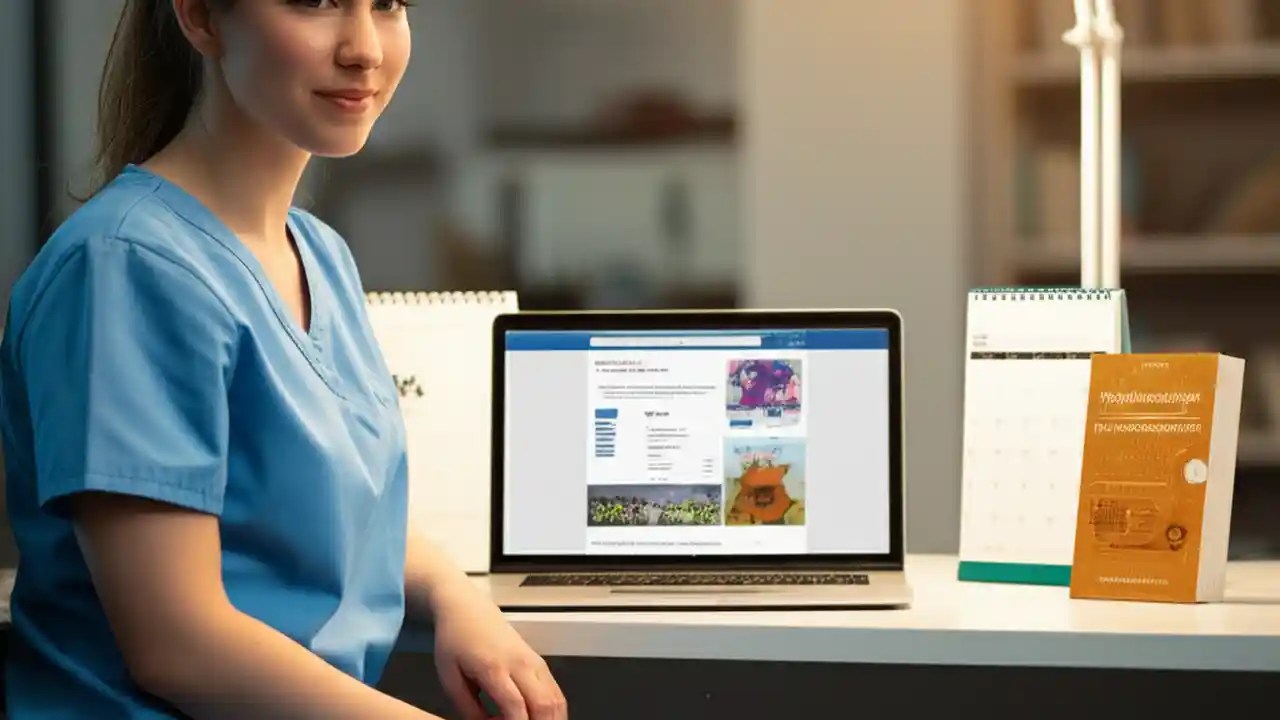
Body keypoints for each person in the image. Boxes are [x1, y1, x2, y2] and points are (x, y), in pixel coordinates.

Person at [0, 1, 567, 718]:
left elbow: (337, 524)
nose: (364, 48)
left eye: (390, 4)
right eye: (313, 2)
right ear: (202, 18)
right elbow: (179, 645)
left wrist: (456, 597)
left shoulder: (320, 254)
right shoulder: (126, 268)